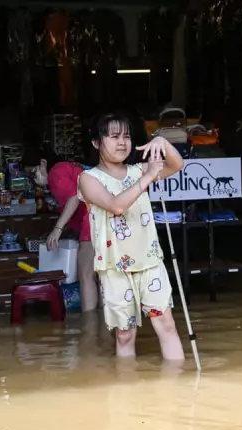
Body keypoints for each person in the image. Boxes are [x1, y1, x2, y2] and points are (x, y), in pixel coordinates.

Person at [77, 113, 185, 361]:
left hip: (149, 260)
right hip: (115, 267)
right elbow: (116, 206)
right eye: (114, 136)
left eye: (126, 136)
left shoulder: (138, 170)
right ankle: (127, 384)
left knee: (166, 325)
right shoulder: (88, 179)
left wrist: (163, 143)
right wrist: (147, 177)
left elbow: (177, 165)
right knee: (125, 335)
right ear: (96, 142)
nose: (122, 142)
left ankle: (179, 382)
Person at [46, 161, 98, 312]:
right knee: (101, 277)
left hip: (93, 218)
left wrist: (57, 229)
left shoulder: (55, 172)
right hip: (105, 217)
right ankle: (103, 322)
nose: (34, 179)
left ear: (43, 163)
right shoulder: (71, 168)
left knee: (86, 276)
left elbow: (74, 198)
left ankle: (90, 323)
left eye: (33, 172)